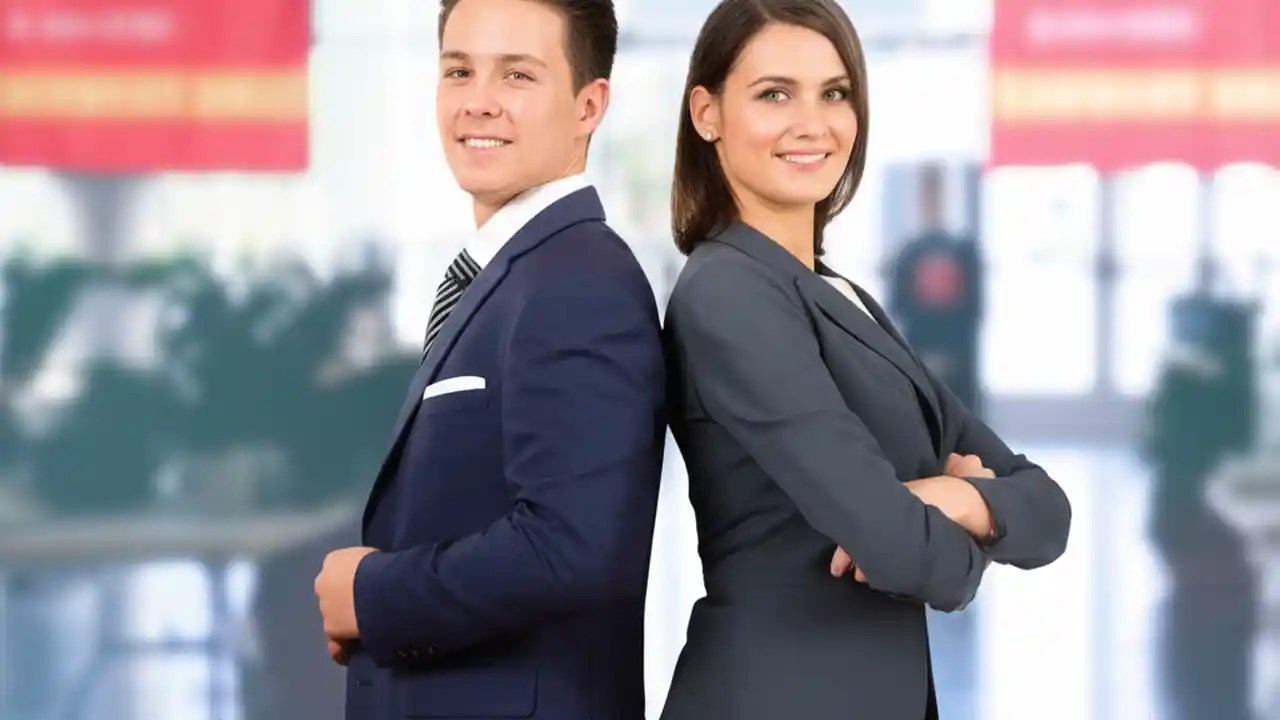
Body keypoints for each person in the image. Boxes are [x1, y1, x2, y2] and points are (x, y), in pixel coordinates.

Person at [659, 1, 1073, 718]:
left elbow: (1049, 511)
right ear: (707, 113)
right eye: (773, 94)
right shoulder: (728, 292)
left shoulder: (838, 293)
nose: (812, 124)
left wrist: (943, 498)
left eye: (836, 93)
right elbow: (919, 562)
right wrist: (942, 514)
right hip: (778, 694)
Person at [311, 1, 666, 718]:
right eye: (459, 72)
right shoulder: (511, 273)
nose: (479, 103)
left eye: (518, 76)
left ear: (589, 105)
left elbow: (572, 549)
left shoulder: (580, 280)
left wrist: (370, 593)